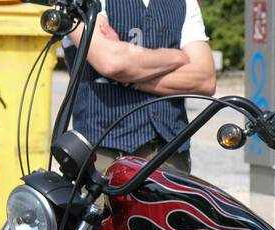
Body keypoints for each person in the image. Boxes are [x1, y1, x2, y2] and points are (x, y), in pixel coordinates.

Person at [66, 0, 217, 175]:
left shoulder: (186, 2)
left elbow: (205, 78)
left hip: (170, 154)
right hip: (102, 154)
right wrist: (176, 57)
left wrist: (128, 77)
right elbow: (111, 62)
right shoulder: (81, 2)